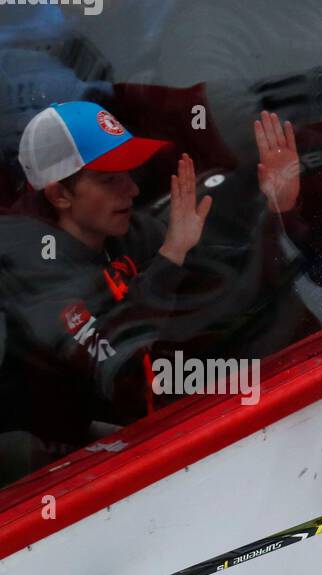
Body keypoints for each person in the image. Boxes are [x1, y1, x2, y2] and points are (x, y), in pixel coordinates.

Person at [0, 102, 304, 481]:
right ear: (60, 194)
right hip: (56, 483)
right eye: (110, 179)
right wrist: (170, 257)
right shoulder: (30, 264)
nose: (133, 188)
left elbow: (216, 292)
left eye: (128, 171)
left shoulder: (123, 230)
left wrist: (277, 210)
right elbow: (124, 376)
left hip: (139, 445)